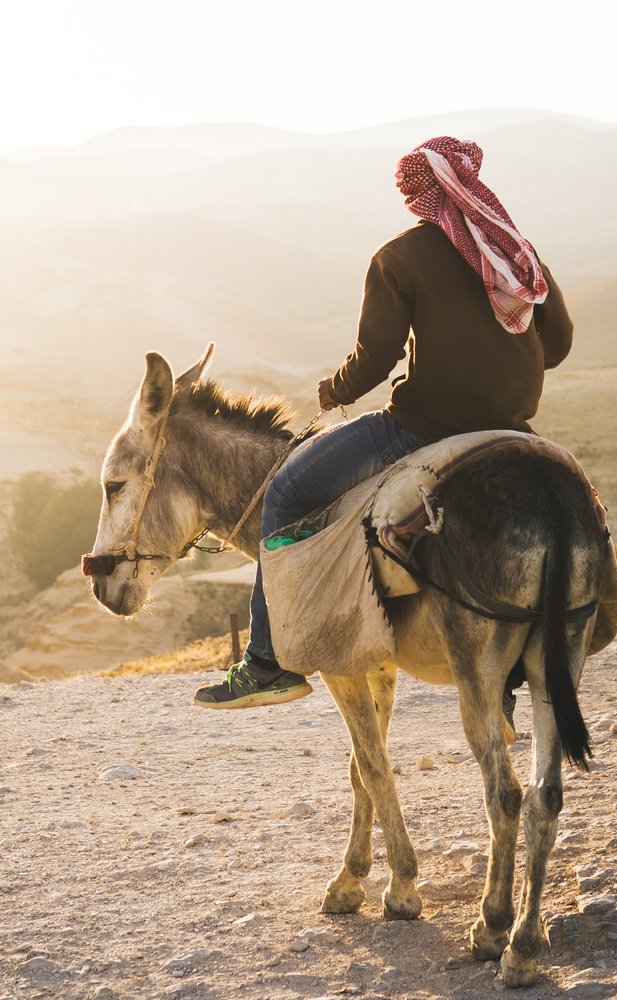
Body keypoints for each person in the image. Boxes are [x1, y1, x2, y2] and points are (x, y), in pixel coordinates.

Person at [194, 136, 573, 710]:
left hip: (422, 426)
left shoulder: (399, 258)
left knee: (285, 491)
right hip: (514, 427)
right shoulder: (514, 251)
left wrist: (334, 390)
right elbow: (559, 345)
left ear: (419, 195)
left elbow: (375, 357)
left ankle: (267, 663)